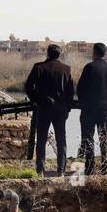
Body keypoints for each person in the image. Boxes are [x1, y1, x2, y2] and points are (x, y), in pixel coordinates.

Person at [24, 44, 75, 175]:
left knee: (40, 139)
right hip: (60, 110)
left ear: (47, 53)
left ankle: (40, 169)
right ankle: (61, 170)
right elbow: (70, 92)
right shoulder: (66, 69)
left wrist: (36, 101)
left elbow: (28, 86)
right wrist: (67, 108)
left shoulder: (38, 67)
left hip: (43, 108)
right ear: (59, 54)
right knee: (61, 140)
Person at [76, 42, 107, 174]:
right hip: (105, 108)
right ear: (104, 53)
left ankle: (89, 168)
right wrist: (106, 99)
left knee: (88, 137)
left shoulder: (89, 67)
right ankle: (105, 167)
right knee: (105, 137)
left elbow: (80, 89)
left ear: (94, 52)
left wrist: (85, 102)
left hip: (89, 109)